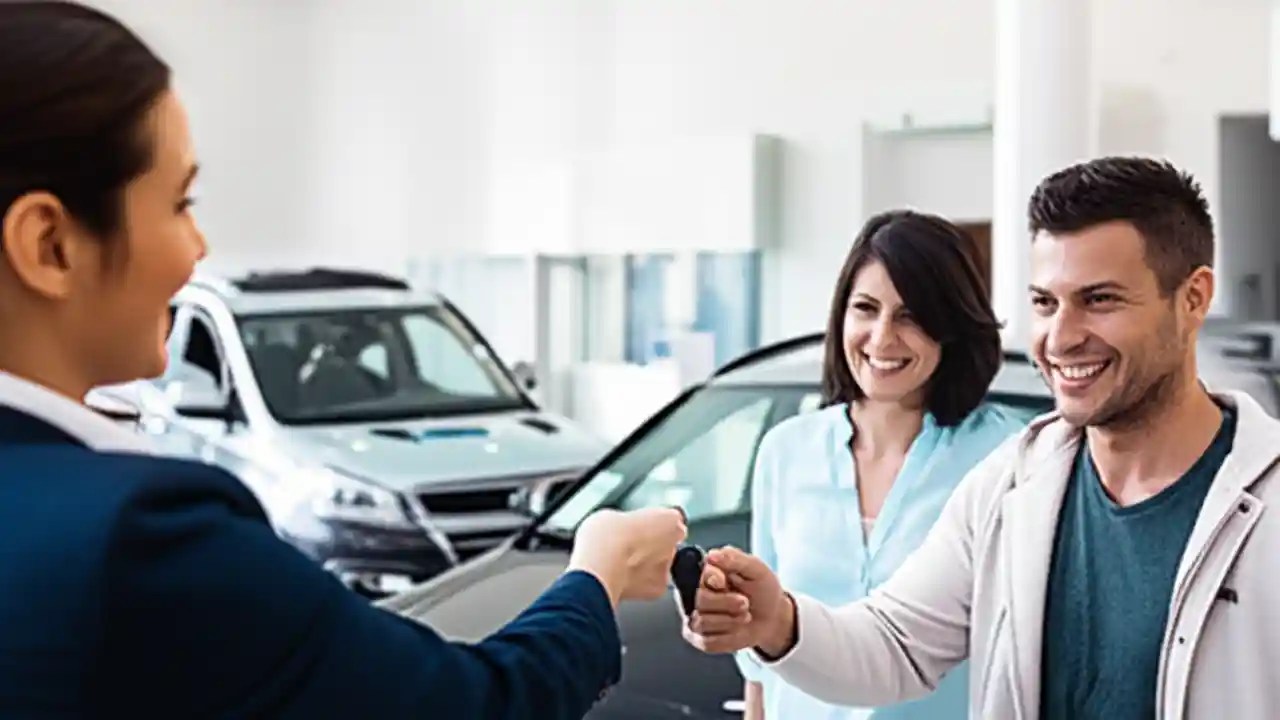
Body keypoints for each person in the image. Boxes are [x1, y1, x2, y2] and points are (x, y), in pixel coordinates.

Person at [0, 3, 686, 718]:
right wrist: (597, 573)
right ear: (51, 245)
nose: (197, 246)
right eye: (179, 203)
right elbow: (477, 704)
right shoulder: (143, 539)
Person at [684, 156, 1280, 720]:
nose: (1061, 337)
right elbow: (896, 645)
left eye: (1099, 300)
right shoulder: (1011, 483)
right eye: (1045, 303)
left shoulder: (1267, 500)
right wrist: (779, 622)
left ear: (1194, 298)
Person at [730, 210, 1029, 720]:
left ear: (950, 326)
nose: (882, 337)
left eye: (910, 316)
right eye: (866, 309)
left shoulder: (1009, 456)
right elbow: (759, 668)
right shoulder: (786, 451)